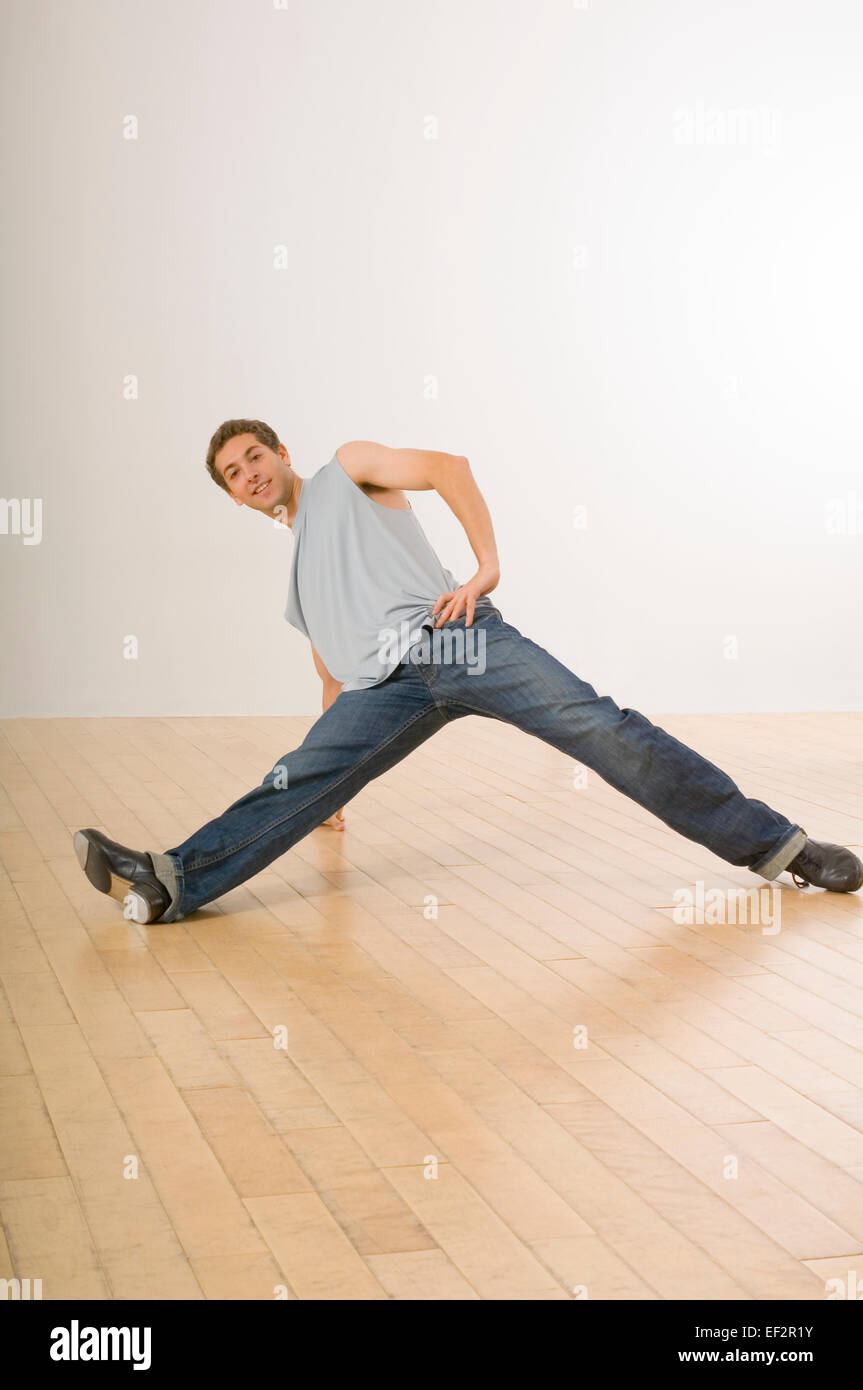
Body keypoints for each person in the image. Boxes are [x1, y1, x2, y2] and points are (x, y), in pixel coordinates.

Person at [73, 419, 863, 924]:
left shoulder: (347, 468)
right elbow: (331, 674)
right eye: (233, 474)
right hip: (383, 690)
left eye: (254, 456)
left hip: (454, 638)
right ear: (234, 499)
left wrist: (484, 569)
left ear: (281, 454)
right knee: (292, 776)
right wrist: (326, 781)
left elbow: (449, 465)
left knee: (602, 729)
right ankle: (169, 880)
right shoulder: (296, 585)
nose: (249, 473)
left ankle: (781, 850)